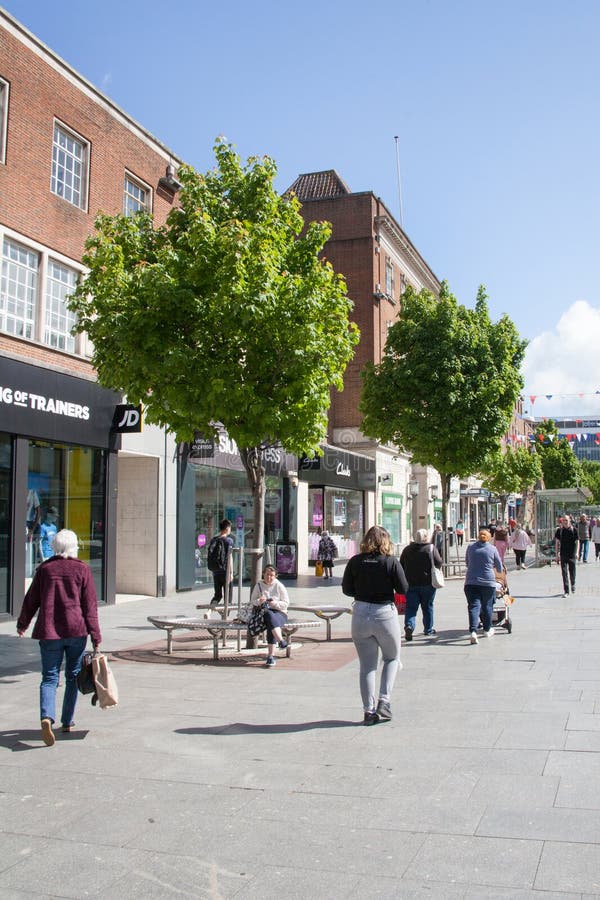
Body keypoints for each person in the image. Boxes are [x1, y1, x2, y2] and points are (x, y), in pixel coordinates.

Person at [16, 529, 102, 747]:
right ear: (74, 547)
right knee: (73, 676)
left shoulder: (45, 569)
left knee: (49, 677)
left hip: (50, 631)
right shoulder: (82, 570)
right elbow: (90, 607)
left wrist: (22, 624)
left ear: (55, 546)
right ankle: (67, 721)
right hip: (76, 631)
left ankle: (47, 716)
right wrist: (96, 635)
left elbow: (31, 600)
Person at [342, 525, 408, 725]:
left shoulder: (355, 561)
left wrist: (362, 591)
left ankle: (368, 711)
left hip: (360, 613)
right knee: (392, 658)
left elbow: (346, 589)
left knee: (367, 666)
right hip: (384, 613)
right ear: (385, 541)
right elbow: (403, 588)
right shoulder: (390, 562)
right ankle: (384, 702)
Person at [400, 528, 443, 639]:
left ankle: (409, 625)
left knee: (411, 608)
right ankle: (428, 629)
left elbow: (401, 564)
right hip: (428, 583)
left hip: (410, 583)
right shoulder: (431, 548)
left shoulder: (407, 549)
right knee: (427, 606)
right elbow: (439, 562)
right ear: (425, 537)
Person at [464, 528, 503, 645]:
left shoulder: (470, 547)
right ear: (489, 538)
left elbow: (467, 563)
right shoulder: (492, 549)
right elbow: (499, 567)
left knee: (474, 606)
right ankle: (487, 629)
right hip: (487, 583)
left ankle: (473, 631)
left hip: (471, 582)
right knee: (487, 606)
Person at [249, 564, 289, 668]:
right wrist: (260, 601)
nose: (269, 577)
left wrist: (274, 603)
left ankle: (271, 656)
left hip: (280, 613)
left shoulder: (279, 585)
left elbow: (286, 603)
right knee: (268, 615)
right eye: (267, 574)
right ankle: (280, 642)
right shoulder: (259, 585)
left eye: (272, 575)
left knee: (270, 620)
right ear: (263, 574)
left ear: (275, 576)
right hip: (264, 613)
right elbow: (252, 601)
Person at [209, 518, 234, 608]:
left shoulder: (213, 540)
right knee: (228, 597)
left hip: (216, 572)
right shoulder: (229, 541)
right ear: (227, 528)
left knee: (217, 595)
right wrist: (231, 573)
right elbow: (230, 558)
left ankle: (209, 611)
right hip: (225, 572)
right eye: (230, 528)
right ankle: (225, 614)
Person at [555, 515, 579, 597]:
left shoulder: (574, 530)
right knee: (564, 573)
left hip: (572, 554)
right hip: (563, 554)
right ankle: (566, 591)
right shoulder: (559, 531)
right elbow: (557, 543)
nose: (565, 522)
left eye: (566, 520)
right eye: (563, 520)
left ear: (569, 520)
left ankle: (573, 584)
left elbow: (577, 542)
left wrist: (577, 552)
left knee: (572, 572)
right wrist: (556, 555)